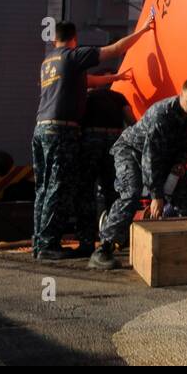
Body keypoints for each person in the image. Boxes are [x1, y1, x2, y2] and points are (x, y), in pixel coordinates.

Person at [34, 16, 152, 261]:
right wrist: (144, 29)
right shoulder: (73, 56)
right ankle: (48, 245)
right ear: (74, 39)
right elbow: (116, 49)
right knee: (58, 186)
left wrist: (114, 79)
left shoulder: (49, 62)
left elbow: (88, 81)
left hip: (41, 128)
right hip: (61, 130)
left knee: (44, 188)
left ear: (55, 38)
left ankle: (40, 241)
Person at [90, 78, 187, 271]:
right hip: (131, 151)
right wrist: (157, 195)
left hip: (162, 157)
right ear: (181, 94)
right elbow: (150, 155)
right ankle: (103, 249)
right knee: (132, 192)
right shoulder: (162, 114)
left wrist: (178, 165)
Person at [73, 87, 134, 259]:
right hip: (114, 140)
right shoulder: (118, 96)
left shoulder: (87, 95)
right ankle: (114, 240)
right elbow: (132, 121)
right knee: (113, 192)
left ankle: (86, 242)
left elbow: (76, 117)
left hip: (90, 139)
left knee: (86, 192)